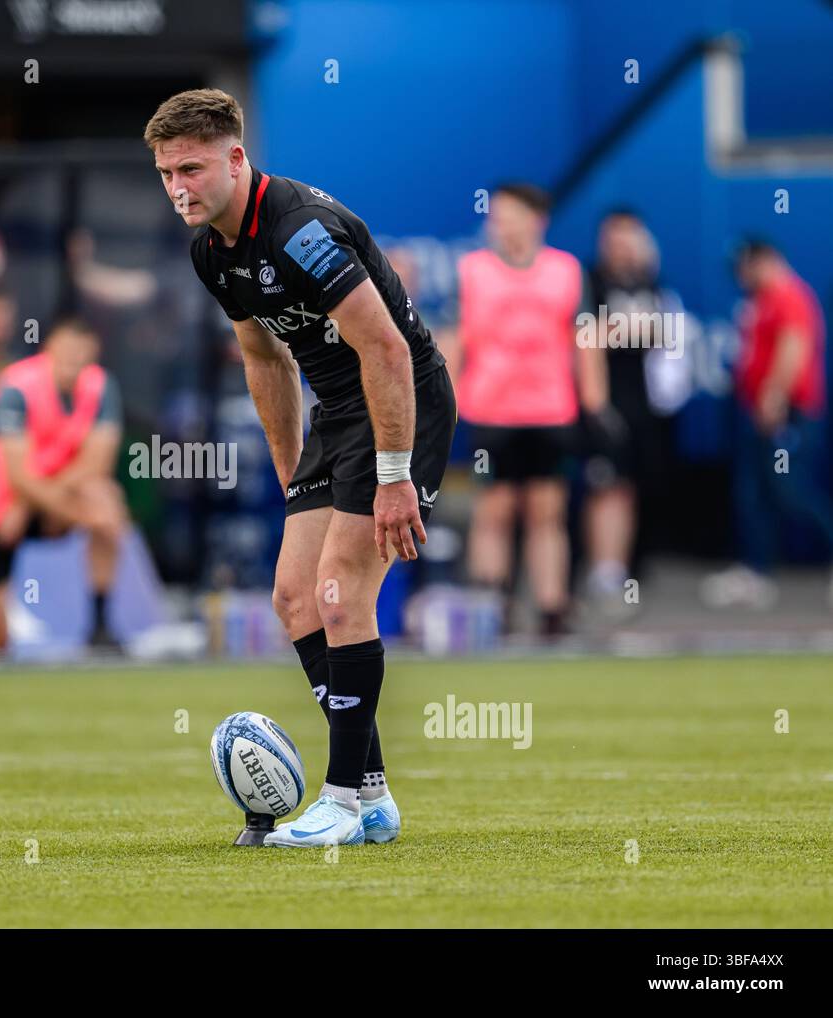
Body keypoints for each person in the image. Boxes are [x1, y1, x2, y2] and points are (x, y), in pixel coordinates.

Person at [147, 88, 456, 848]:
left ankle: (344, 802)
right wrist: (295, 478)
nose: (179, 187)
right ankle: (374, 795)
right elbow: (264, 358)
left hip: (402, 404)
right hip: (337, 417)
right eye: (165, 173)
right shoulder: (209, 253)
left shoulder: (299, 231)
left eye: (191, 168)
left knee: (343, 595)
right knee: (294, 599)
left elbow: (387, 350)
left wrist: (393, 476)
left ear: (236, 158)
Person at [444, 183, 611, 637]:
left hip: (551, 411)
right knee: (494, 510)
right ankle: (491, 606)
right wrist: (447, 398)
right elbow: (454, 337)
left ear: (537, 219)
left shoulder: (567, 271)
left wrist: (596, 405)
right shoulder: (473, 270)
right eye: (495, 215)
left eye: (510, 214)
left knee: (546, 512)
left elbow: (586, 338)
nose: (500, 223)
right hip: (491, 412)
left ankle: (552, 608)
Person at [0, 317, 127, 652]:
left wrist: (31, 506)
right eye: (67, 350)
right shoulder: (15, 389)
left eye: (82, 353)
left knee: (105, 500)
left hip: (38, 502)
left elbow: (97, 463)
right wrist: (42, 505)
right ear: (50, 349)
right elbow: (17, 475)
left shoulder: (101, 386)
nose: (75, 360)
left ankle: (100, 625)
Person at [702, 239, 833, 609]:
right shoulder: (760, 300)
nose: (740, 276)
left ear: (765, 261)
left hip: (788, 413)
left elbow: (794, 346)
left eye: (744, 267)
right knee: (752, 493)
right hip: (754, 411)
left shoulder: (789, 295)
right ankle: (755, 572)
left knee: (790, 491)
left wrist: (774, 396)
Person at [580, 209, 679, 615]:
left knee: (630, 488)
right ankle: (602, 575)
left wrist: (632, 327)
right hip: (605, 402)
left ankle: (618, 572)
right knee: (605, 487)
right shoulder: (590, 281)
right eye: (614, 239)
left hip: (643, 405)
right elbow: (585, 335)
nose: (621, 247)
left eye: (629, 238)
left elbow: (666, 332)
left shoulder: (649, 282)